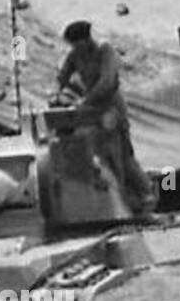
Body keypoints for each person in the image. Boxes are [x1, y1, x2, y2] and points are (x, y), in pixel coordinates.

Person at [54, 20, 155, 214]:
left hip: (111, 107)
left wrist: (85, 101)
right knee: (92, 150)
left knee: (122, 154)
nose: (75, 48)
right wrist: (56, 92)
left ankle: (145, 193)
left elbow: (107, 81)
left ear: (85, 40)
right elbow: (63, 75)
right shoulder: (76, 55)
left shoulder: (105, 50)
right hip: (91, 110)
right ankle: (104, 194)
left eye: (76, 44)